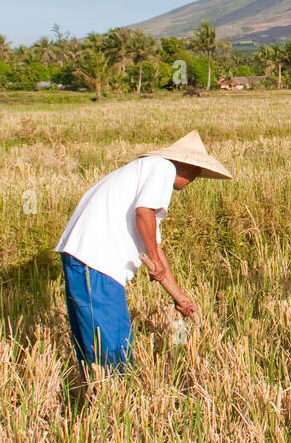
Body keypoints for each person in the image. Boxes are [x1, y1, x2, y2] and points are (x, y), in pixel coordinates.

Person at [54, 130, 231, 375]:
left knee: (92, 345)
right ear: (185, 165)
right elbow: (144, 214)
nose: (195, 178)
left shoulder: (144, 172)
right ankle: (114, 398)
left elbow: (155, 248)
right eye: (197, 172)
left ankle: (98, 397)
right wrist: (155, 259)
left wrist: (180, 298)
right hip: (96, 260)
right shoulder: (162, 168)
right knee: (112, 345)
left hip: (85, 257)